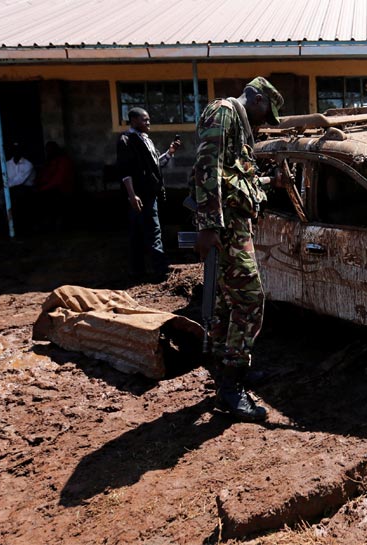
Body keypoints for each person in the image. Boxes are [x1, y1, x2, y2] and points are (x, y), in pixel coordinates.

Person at [192, 76, 285, 422]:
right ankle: (231, 387)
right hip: (224, 227)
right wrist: (208, 226)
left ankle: (227, 373)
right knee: (249, 300)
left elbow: (236, 177)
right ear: (257, 98)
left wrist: (270, 181)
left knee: (226, 303)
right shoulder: (224, 112)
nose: (265, 122)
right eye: (267, 113)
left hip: (234, 225)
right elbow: (207, 166)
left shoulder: (239, 126)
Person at [116, 107, 181, 280]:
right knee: (154, 231)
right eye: (144, 119)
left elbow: (156, 166)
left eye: (148, 119)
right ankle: (161, 270)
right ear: (134, 120)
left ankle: (137, 271)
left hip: (150, 193)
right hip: (140, 194)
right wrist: (132, 195)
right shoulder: (126, 140)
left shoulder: (146, 140)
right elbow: (125, 171)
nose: (148, 122)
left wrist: (170, 152)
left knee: (138, 232)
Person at [34, 141, 75, 231]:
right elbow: (44, 176)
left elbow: (58, 180)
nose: (48, 152)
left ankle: (50, 223)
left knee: (46, 198)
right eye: (47, 150)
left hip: (62, 189)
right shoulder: (50, 162)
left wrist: (43, 188)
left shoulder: (63, 161)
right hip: (51, 188)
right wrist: (39, 184)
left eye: (50, 150)